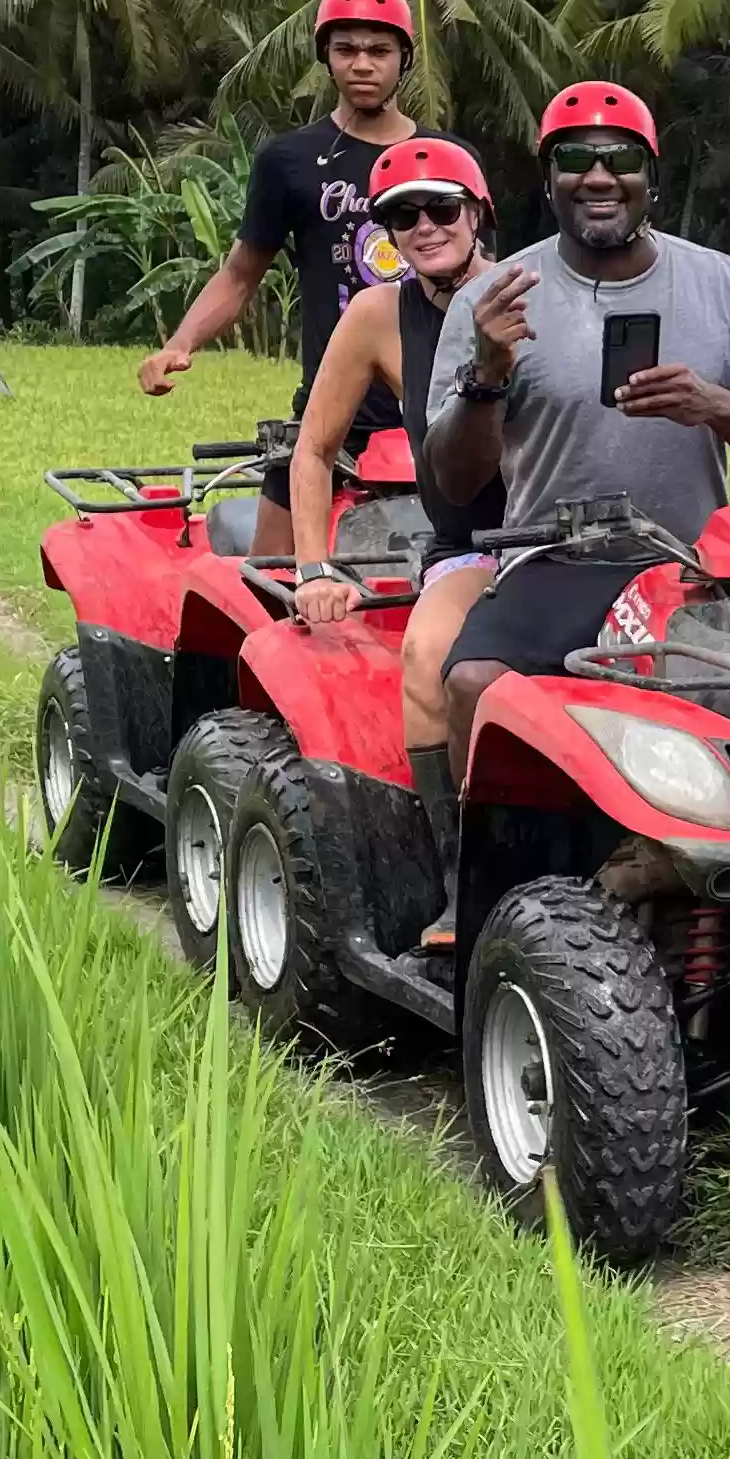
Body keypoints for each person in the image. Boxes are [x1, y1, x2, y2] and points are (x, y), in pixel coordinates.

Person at [421, 81, 730, 759]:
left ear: (650, 176)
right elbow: (455, 478)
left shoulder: (724, 282)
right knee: (474, 681)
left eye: (620, 158)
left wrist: (714, 404)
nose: (599, 176)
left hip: (704, 562)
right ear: (549, 179)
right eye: (576, 158)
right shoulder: (492, 297)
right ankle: (478, 861)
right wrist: (488, 373)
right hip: (560, 562)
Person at [137, 0, 457, 554]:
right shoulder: (289, 161)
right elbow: (240, 273)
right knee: (272, 588)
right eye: (346, 50)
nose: (363, 65)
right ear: (326, 58)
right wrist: (179, 343)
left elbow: (483, 280)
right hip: (329, 413)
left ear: (404, 60)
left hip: (440, 412)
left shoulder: (444, 161)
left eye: (379, 51)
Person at [287, 137, 499, 940]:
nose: (423, 225)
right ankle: (460, 879)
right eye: (401, 214)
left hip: (570, 530)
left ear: (476, 212)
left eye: (441, 207)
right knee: (427, 658)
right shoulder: (379, 314)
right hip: (474, 539)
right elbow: (314, 447)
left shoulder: (531, 291)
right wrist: (314, 566)